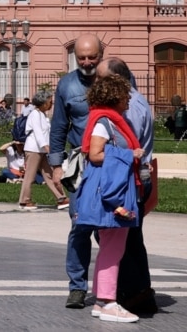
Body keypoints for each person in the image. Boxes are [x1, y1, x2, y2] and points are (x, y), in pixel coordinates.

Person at [74, 73, 144, 323]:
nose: (128, 100)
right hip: (111, 195)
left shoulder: (108, 120)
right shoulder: (104, 122)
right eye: (125, 95)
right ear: (114, 96)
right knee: (113, 248)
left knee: (110, 247)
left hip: (110, 191)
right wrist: (129, 155)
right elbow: (95, 154)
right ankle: (106, 301)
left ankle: (102, 300)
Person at [98, 57, 157, 315]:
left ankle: (136, 293)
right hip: (131, 177)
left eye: (101, 78)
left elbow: (126, 145)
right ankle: (130, 290)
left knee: (125, 236)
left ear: (116, 79)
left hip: (129, 179)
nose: (96, 83)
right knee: (124, 235)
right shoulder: (131, 101)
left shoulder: (129, 105)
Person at [48, 33, 102, 309]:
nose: (87, 62)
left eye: (92, 57)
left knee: (110, 229)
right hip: (81, 165)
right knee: (80, 226)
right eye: (82, 57)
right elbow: (58, 127)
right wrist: (56, 165)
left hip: (110, 164)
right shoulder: (67, 85)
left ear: (100, 56)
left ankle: (112, 286)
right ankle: (77, 287)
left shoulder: (114, 80)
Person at [18, 90, 67, 210]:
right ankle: (24, 200)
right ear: (43, 103)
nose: (51, 104)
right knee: (30, 175)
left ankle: (61, 198)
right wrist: (46, 146)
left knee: (49, 174)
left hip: (42, 150)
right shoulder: (34, 114)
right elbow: (38, 132)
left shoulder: (42, 115)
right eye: (50, 102)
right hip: (34, 149)